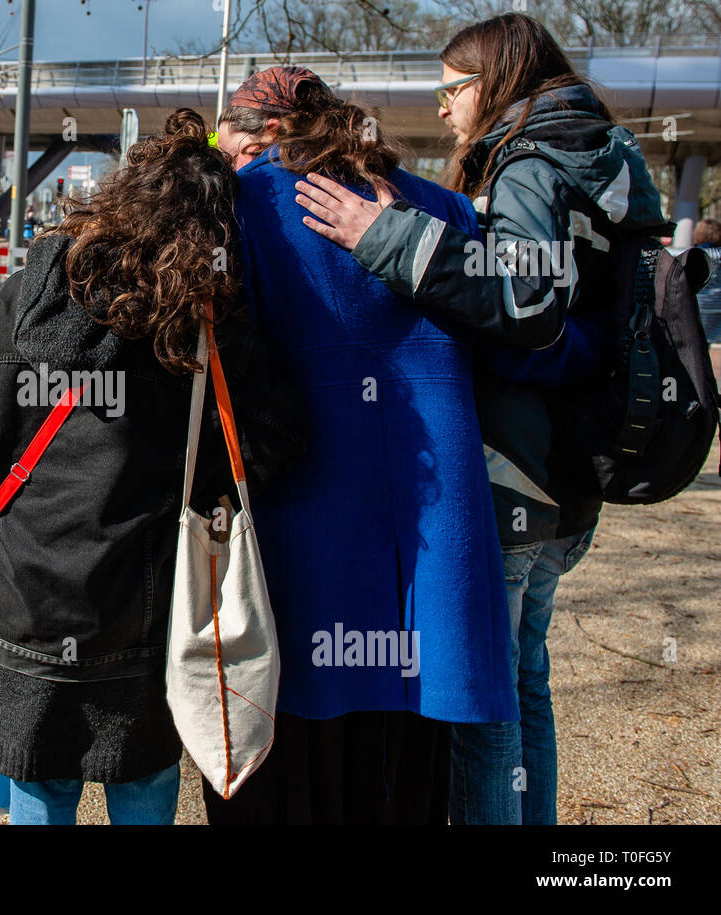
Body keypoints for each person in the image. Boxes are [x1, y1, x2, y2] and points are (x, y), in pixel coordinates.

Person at [292, 13, 670, 825]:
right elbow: (565, 313)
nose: (440, 108)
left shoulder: (531, 162)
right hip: (575, 469)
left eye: (450, 88)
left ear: (492, 80)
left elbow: (524, 302)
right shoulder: (604, 150)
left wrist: (388, 236)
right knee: (527, 678)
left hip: (519, 466)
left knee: (484, 703)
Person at [0, 109, 307, 826]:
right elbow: (274, 438)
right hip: (143, 606)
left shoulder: (24, 292)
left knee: (40, 787)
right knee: (143, 788)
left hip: (25, 595)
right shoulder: (206, 324)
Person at [206, 66, 519, 825]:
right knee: (406, 770)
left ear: (271, 132)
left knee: (290, 757)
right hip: (431, 536)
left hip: (298, 523)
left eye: (235, 141)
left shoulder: (244, 209)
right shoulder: (442, 207)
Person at [694, 218, 721, 381]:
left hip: (699, 303)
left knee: (699, 343)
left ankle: (701, 379)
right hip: (718, 304)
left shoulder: (695, 254)